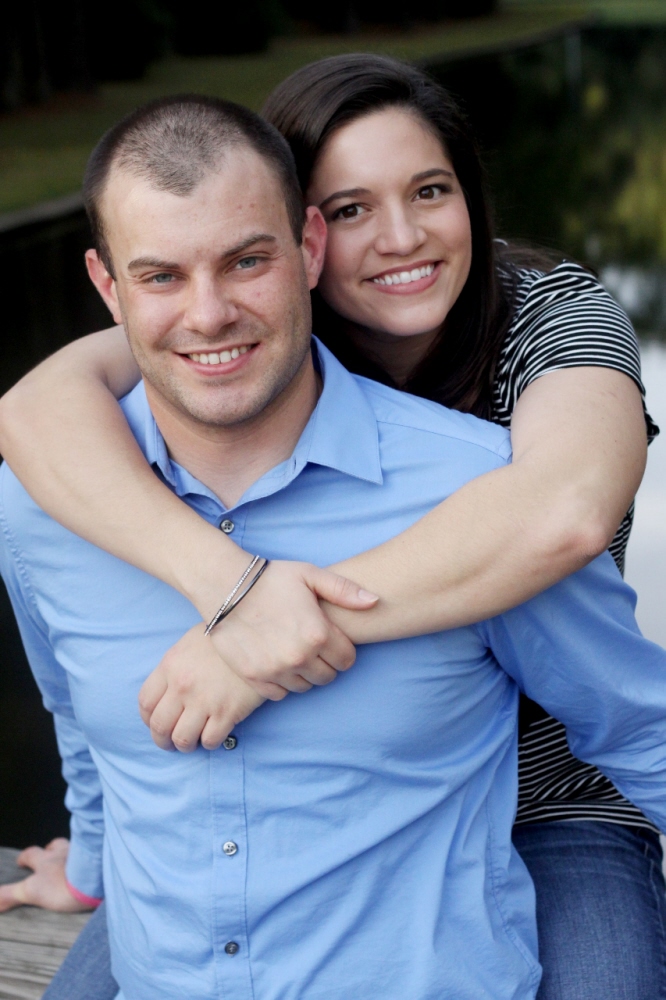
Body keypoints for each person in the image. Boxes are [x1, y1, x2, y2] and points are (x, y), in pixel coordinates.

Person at [0, 57, 659, 999]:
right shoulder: (158, 387)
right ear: (315, 237)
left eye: (429, 190)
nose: (397, 238)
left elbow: (564, 518)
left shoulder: (539, 339)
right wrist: (95, 861)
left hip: (553, 796)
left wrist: (265, 630)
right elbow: (36, 413)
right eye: (351, 208)